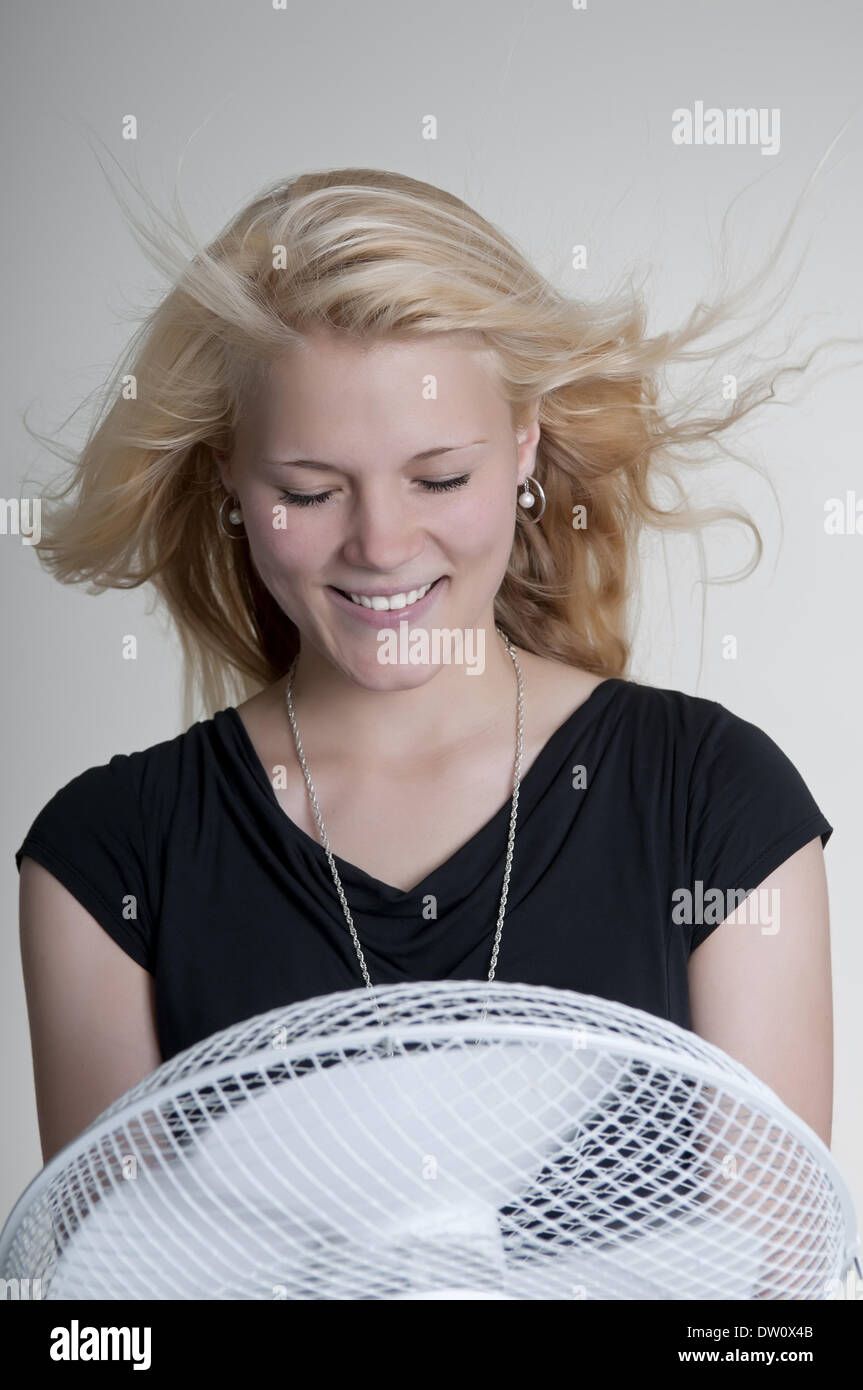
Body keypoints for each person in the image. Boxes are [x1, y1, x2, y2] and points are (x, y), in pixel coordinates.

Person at [15, 168, 834, 1165]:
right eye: (310, 491)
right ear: (227, 470)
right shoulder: (109, 861)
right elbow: (114, 1306)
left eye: (438, 476)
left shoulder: (713, 804)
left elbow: (771, 1315)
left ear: (523, 444)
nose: (382, 542)